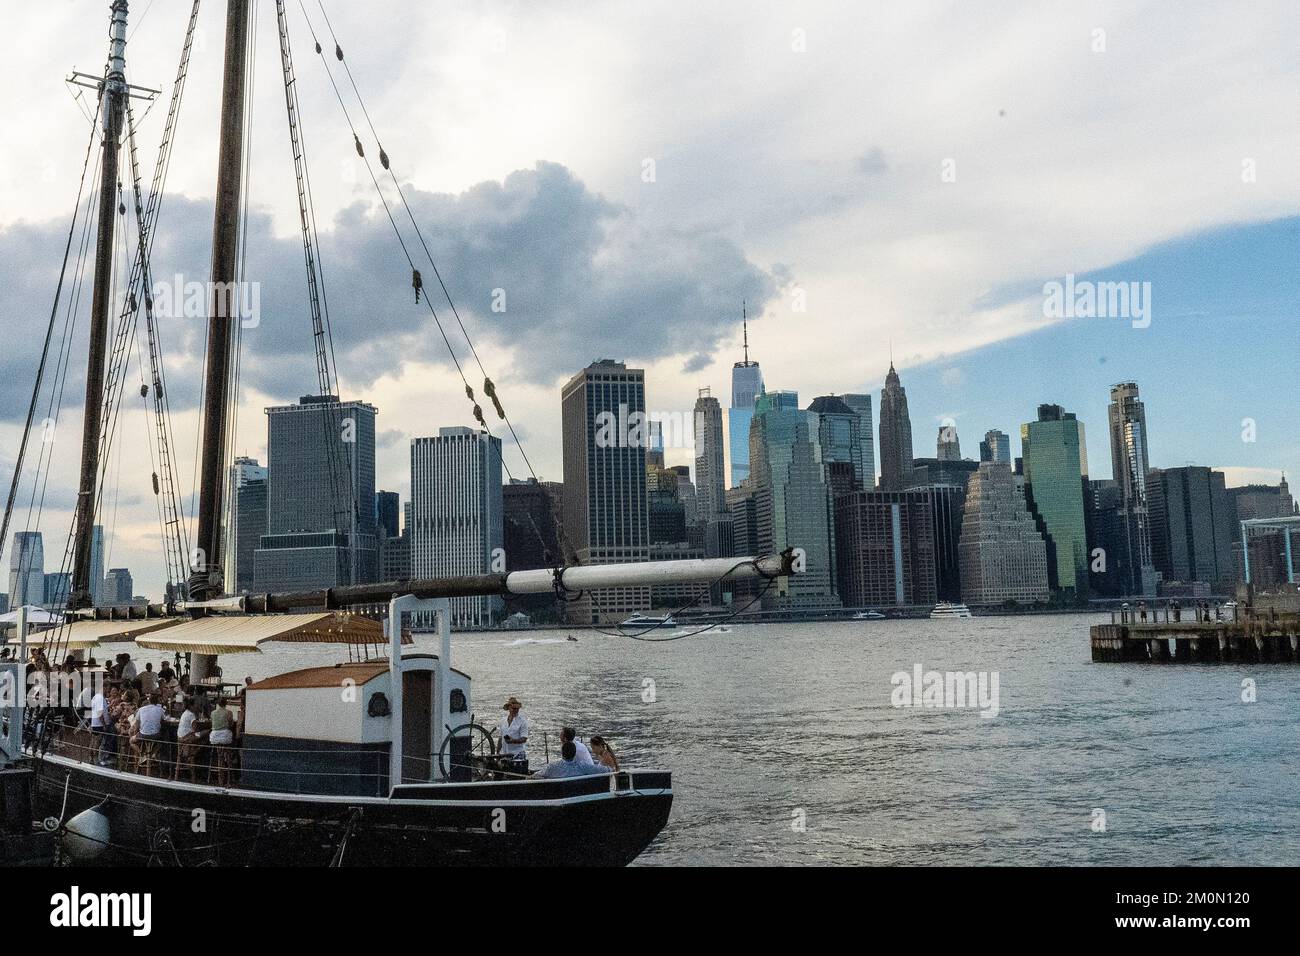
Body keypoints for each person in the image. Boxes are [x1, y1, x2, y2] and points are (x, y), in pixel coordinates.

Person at [532, 741, 609, 779]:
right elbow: (605, 770)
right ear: (575, 754)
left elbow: (535, 776)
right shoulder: (584, 766)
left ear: (562, 753)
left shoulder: (551, 767)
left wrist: (532, 776)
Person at [499, 696, 529, 775]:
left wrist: (513, 741)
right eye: (513, 708)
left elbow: (524, 738)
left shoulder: (523, 722)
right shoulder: (503, 720)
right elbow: (500, 738)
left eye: (517, 709)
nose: (516, 710)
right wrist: (497, 752)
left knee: (517, 776)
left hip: (518, 755)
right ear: (509, 708)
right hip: (505, 754)